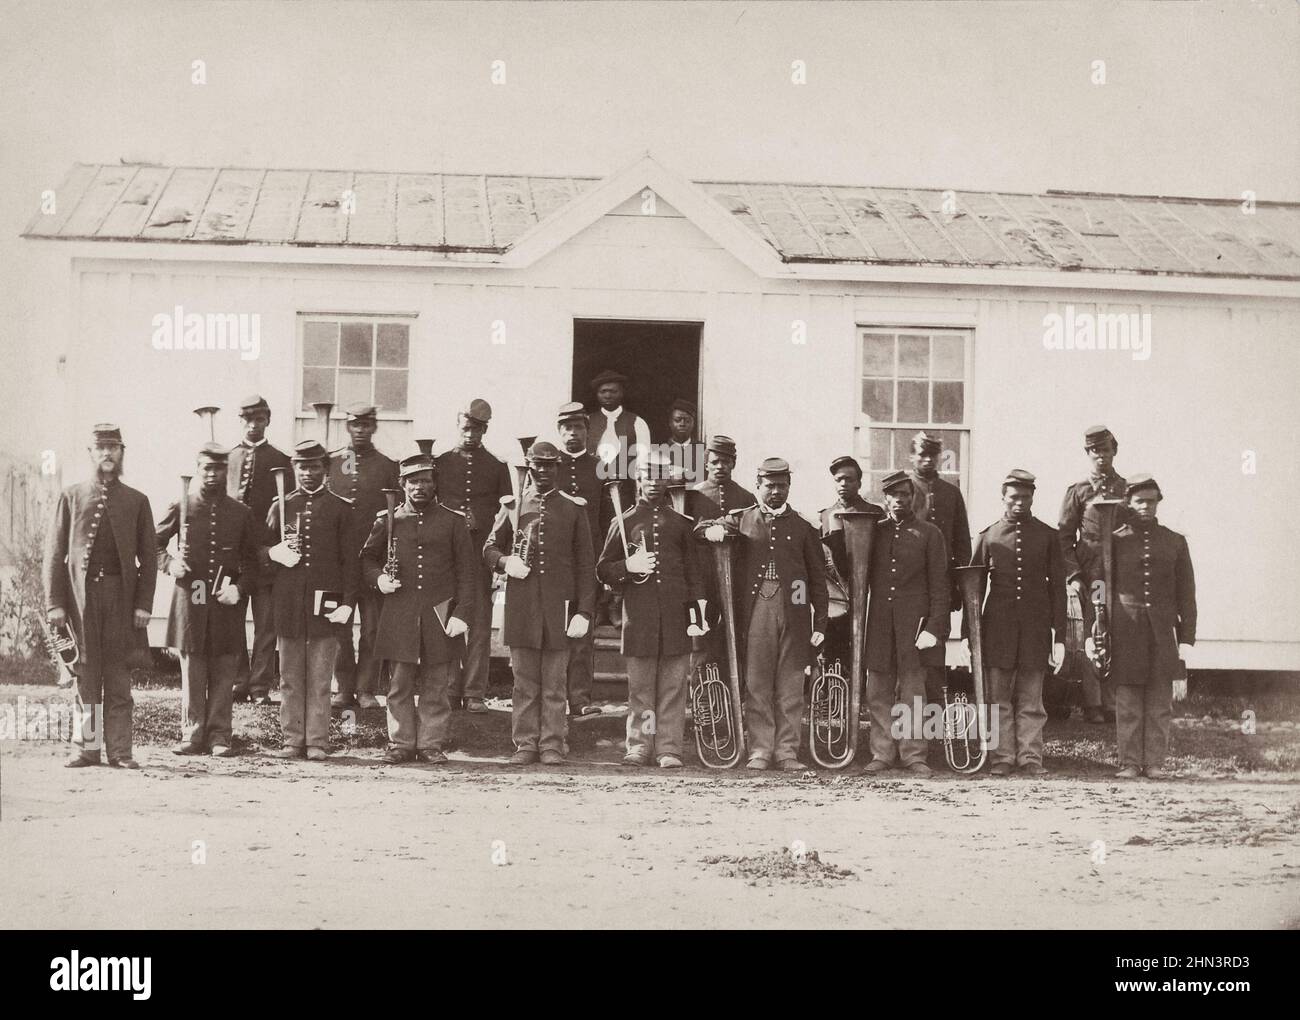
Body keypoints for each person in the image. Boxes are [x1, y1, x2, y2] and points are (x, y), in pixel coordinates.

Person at [701, 458, 826, 770]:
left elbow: (816, 579)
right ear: (758, 486)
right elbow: (700, 528)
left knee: (791, 686)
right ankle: (760, 750)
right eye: (769, 486)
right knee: (757, 683)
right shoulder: (741, 518)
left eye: (781, 486)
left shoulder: (803, 527)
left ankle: (787, 753)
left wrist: (819, 622)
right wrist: (714, 529)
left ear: (789, 487)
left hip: (795, 608)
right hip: (756, 607)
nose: (775, 491)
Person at [43, 424, 156, 768]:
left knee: (119, 676)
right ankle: (87, 749)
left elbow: (149, 558)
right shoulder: (71, 497)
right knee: (86, 675)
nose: (107, 453)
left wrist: (143, 604)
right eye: (101, 448)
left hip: (122, 599)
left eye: (113, 447)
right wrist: (55, 603)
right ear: (90, 453)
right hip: (81, 600)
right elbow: (54, 553)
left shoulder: (137, 501)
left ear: (122, 452)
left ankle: (120, 752)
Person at [485, 441, 596, 765]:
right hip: (522, 607)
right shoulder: (512, 506)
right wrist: (505, 562)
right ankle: (525, 743)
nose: (543, 471)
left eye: (549, 465)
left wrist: (584, 611)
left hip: (559, 608)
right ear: (529, 468)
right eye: (537, 465)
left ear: (557, 468)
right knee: (524, 683)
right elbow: (488, 548)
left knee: (555, 682)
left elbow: (585, 565)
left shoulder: (573, 509)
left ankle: (552, 744)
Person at [362, 453, 475, 764]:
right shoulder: (388, 520)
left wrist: (462, 613)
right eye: (413, 481)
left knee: (437, 685)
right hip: (400, 613)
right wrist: (379, 579)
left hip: (441, 613)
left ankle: (430, 744)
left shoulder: (453, 522)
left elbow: (467, 573)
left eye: (425, 480)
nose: (419, 487)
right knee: (399, 684)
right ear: (403, 485)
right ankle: (400, 744)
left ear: (434, 484)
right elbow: (367, 559)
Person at [1081, 474, 1196, 780]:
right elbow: (1098, 588)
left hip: (1162, 632)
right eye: (1139, 501)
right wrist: (1093, 628)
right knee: (1128, 701)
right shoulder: (1114, 542)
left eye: (1151, 501)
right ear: (1129, 503)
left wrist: (1187, 638)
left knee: (1159, 701)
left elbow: (1187, 593)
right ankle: (1129, 763)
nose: (1146, 506)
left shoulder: (1175, 541)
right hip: (1125, 630)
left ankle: (1155, 763)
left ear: (1158, 503)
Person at [596, 453, 706, 768]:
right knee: (641, 690)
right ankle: (641, 746)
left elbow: (694, 575)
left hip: (675, 618)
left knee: (673, 688)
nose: (654, 483)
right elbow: (602, 569)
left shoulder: (681, 524)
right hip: (639, 619)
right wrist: (627, 566)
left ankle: (668, 748)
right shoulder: (624, 522)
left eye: (660, 477)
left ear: (667, 480)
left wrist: (696, 616)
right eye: (647, 476)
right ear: (638, 480)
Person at [156, 443, 260, 757]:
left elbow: (253, 562)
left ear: (226, 471)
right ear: (198, 470)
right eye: (207, 468)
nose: (212, 474)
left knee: (224, 671)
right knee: (193, 669)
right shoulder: (182, 505)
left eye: (218, 469)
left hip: (225, 603)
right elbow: (152, 544)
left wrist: (239, 589)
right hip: (192, 600)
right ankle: (192, 734)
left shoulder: (241, 512)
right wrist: (170, 564)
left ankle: (219, 736)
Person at [967, 470, 1066, 776]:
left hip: (1036, 627)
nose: (1019, 502)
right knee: (998, 698)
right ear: (1003, 498)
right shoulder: (989, 536)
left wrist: (1059, 636)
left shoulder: (1048, 536)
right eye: (1013, 497)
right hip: (997, 628)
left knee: (1031, 698)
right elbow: (973, 590)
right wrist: (969, 636)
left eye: (1025, 497)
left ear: (1033, 498)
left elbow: (1058, 589)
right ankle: (1002, 757)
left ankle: (1030, 757)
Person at [264, 440, 359, 761]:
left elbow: (351, 563)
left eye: (314, 466)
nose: (308, 473)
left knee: (320, 678)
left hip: (327, 606)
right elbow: (258, 554)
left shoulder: (340, 509)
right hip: (289, 604)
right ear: (295, 469)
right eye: (302, 467)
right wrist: (272, 553)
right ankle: (292, 740)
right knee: (290, 678)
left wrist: (348, 603)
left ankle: (317, 740)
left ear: (325, 469)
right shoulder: (281, 506)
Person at [862, 470, 949, 776]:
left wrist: (934, 628)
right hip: (880, 624)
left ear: (913, 498)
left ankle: (914, 754)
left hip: (915, 625)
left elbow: (940, 586)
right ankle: (882, 753)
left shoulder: (929, 534)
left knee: (913, 692)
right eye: (893, 495)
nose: (899, 500)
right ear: (885, 498)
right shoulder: (874, 532)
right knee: (878, 691)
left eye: (905, 495)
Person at [434, 398, 512, 713]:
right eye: (466, 428)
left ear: (485, 430)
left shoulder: (497, 466)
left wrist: (499, 559)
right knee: (448, 619)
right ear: (458, 426)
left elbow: (507, 516)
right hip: (446, 554)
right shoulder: (440, 463)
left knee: (479, 623)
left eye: (476, 430)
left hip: (481, 555)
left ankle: (475, 692)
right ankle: (450, 689)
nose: (470, 435)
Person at [328, 402, 399, 710]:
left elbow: (396, 515)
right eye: (355, 424)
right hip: (337, 562)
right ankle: (343, 688)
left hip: (373, 562)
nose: (360, 430)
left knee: (372, 628)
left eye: (366, 424)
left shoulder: (388, 466)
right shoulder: (331, 462)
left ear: (374, 427)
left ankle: (366, 688)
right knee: (339, 628)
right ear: (348, 426)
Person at [1059, 424, 1128, 723]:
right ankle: (1093, 702)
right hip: (1095, 576)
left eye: (1105, 450)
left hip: (1122, 575)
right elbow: (1064, 537)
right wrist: (1074, 575)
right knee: (1095, 630)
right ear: (1088, 454)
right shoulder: (1079, 491)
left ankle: (1114, 702)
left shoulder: (1127, 490)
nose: (1101, 456)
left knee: (1120, 632)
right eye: (1095, 451)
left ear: (1115, 451)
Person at [227, 394, 292, 704]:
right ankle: (238, 681)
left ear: (268, 421)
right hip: (234, 559)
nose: (253, 425)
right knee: (233, 622)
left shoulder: (282, 461)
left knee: (266, 624)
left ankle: (259, 686)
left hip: (267, 557)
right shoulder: (227, 459)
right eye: (247, 419)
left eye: (259, 419)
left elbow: (293, 509)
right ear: (240, 421)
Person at [906, 431, 971, 710]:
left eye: (932, 454)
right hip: (909, 585)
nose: (927, 460)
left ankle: (934, 713)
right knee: (908, 651)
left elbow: (962, 542)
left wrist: (959, 584)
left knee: (935, 650)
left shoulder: (951, 493)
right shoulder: (903, 491)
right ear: (912, 456)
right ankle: (908, 713)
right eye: (922, 454)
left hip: (941, 585)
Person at [587, 369, 651, 627]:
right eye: (603, 391)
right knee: (594, 545)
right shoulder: (588, 421)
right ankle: (596, 605)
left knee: (621, 544)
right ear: (597, 394)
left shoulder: (636, 422)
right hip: (594, 494)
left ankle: (616, 602)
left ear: (622, 393)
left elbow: (644, 462)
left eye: (613, 391)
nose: (608, 395)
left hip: (624, 493)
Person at [554, 401, 603, 717]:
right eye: (567, 428)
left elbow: (609, 516)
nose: (573, 433)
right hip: (556, 559)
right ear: (559, 432)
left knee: (583, 628)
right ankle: (555, 696)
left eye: (578, 427)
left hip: (589, 559)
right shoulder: (550, 466)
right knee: (554, 630)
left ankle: (580, 698)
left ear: (588, 430)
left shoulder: (600, 467)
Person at [818, 455, 883, 665]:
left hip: (867, 597)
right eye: (839, 480)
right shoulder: (826, 515)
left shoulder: (874, 513)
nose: (843, 484)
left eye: (849, 479)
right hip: (836, 600)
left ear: (859, 483)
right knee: (832, 654)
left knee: (864, 655)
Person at [692, 435, 754, 516]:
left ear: (733, 464)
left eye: (725, 462)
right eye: (714, 462)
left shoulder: (746, 497)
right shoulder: (693, 495)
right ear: (706, 466)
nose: (720, 466)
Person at [665, 398, 705, 485]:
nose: (682, 424)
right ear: (670, 423)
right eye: (677, 420)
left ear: (693, 423)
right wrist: (669, 480)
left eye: (687, 421)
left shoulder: (703, 450)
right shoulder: (660, 452)